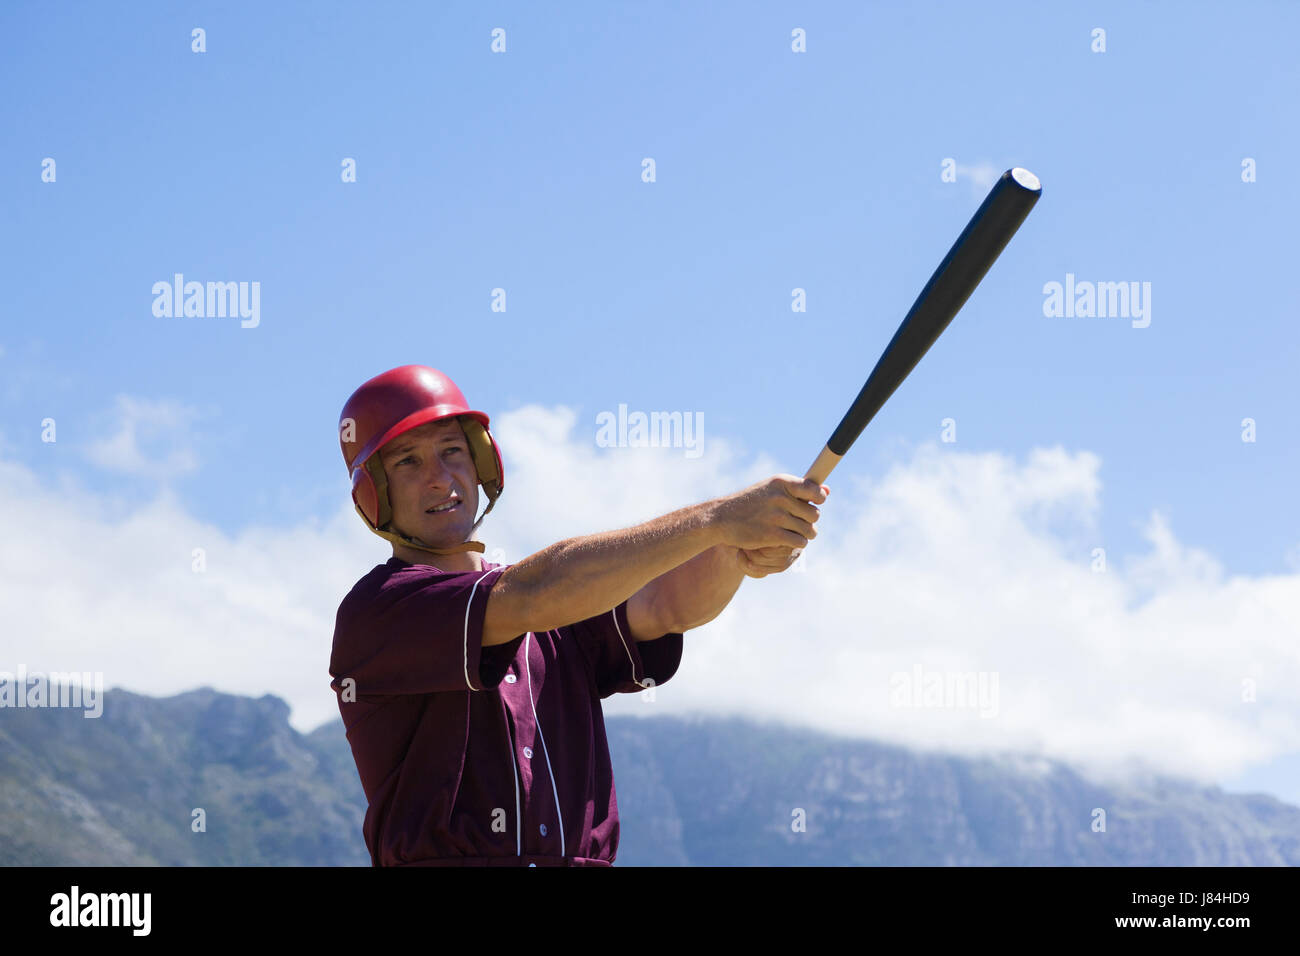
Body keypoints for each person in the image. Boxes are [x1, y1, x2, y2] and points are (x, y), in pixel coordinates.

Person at [329, 364, 829, 866]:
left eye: (452, 451)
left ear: (481, 461)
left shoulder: (559, 605)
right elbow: (533, 593)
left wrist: (735, 551)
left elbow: (666, 605)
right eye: (408, 462)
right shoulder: (380, 610)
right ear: (374, 492)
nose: (440, 478)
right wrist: (719, 519)